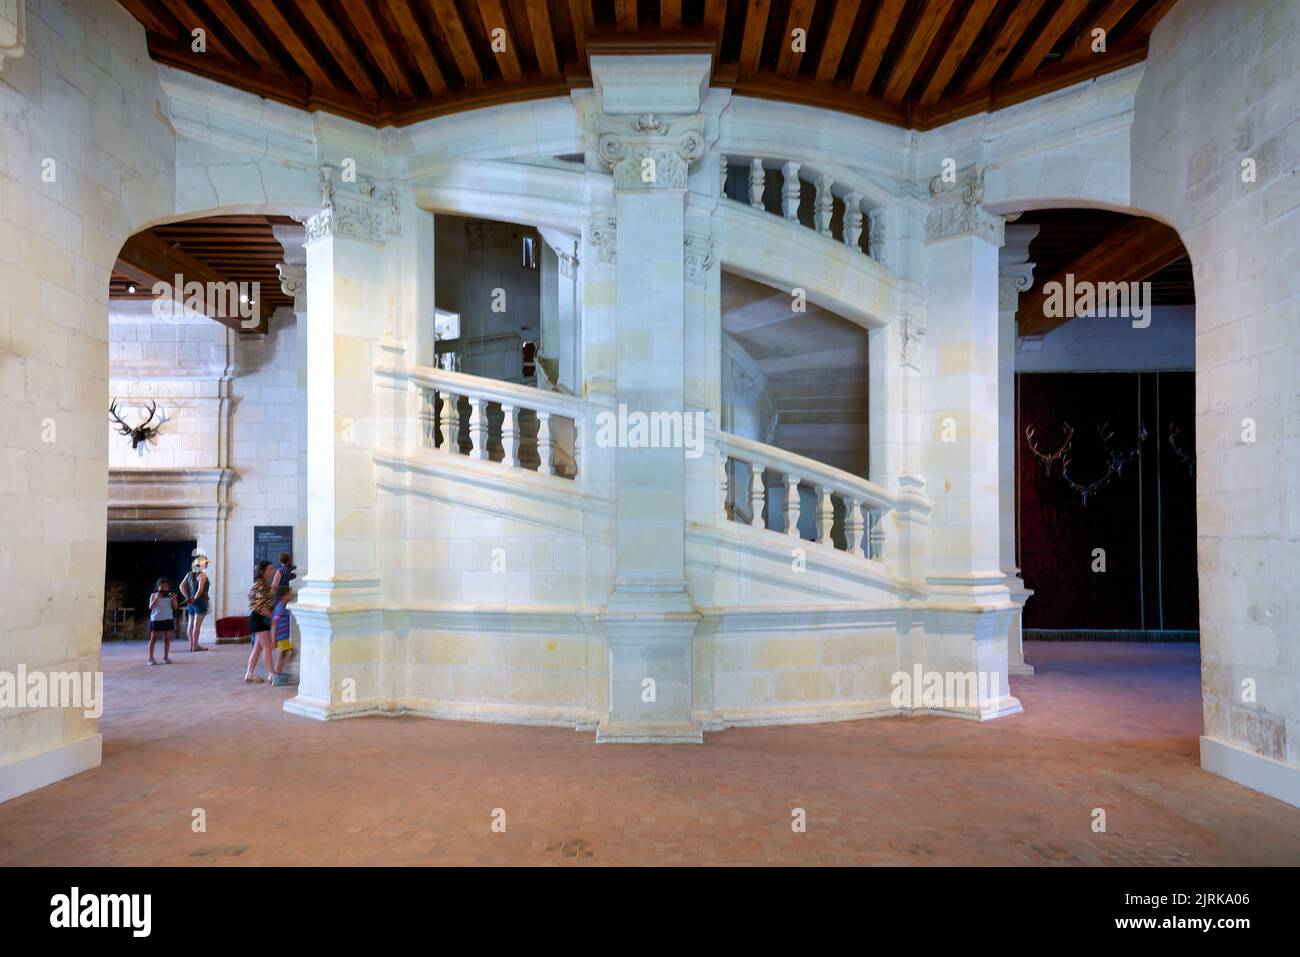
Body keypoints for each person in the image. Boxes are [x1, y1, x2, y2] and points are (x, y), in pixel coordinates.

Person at [243, 560, 276, 684]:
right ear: (262, 571)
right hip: (259, 618)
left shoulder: (263, 584)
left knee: (257, 648)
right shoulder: (259, 585)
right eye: (270, 569)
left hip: (260, 618)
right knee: (267, 647)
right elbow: (261, 607)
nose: (272, 572)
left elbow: (269, 600)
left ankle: (249, 674)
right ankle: (272, 675)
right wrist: (273, 617)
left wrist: (274, 585)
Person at [178, 553, 211, 652]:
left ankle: (191, 645)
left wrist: (188, 597)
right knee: (196, 625)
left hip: (190, 603)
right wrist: (194, 598)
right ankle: (195, 646)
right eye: (205, 562)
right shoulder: (202, 575)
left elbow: (181, 586)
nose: (207, 564)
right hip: (199, 602)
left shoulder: (189, 574)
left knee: (190, 624)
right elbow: (200, 591)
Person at [147, 577, 178, 665]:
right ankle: (151, 658)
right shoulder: (153, 595)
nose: (164, 589)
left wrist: (174, 599)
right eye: (162, 587)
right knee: (153, 639)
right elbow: (150, 607)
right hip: (156, 619)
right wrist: (156, 598)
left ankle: (166, 657)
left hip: (168, 618)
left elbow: (175, 607)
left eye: (166, 587)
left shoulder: (170, 596)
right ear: (158, 587)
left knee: (167, 639)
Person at [270, 585, 295, 683]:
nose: (291, 595)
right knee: (290, 652)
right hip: (282, 637)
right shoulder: (280, 607)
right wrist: (274, 639)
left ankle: (278, 674)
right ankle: (278, 675)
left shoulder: (283, 606)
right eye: (289, 594)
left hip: (284, 637)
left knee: (284, 655)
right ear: (283, 596)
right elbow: (275, 623)